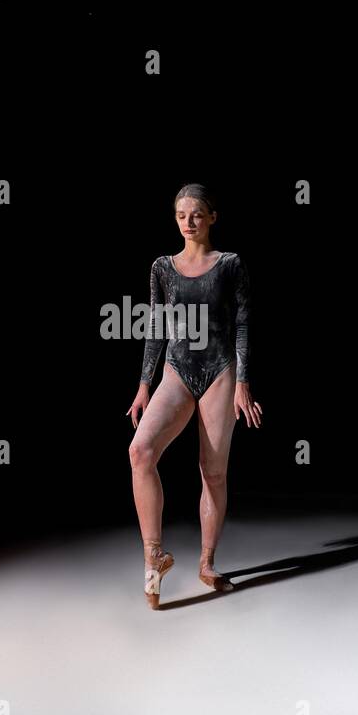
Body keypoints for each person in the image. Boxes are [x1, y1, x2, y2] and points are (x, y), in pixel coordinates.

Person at [127, 183, 261, 609]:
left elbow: (243, 322)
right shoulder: (162, 268)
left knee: (213, 472)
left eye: (197, 214)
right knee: (140, 451)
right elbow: (155, 326)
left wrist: (242, 383)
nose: (188, 222)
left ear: (212, 217)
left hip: (220, 371)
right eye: (181, 215)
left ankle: (207, 563)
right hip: (177, 369)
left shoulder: (230, 264)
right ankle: (154, 558)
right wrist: (144, 385)